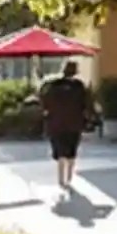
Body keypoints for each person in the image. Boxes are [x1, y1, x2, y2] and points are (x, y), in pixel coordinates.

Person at [39, 61, 90, 192]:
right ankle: (69, 178)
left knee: (60, 152)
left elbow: (45, 102)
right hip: (74, 123)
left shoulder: (53, 85)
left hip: (56, 124)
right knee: (72, 151)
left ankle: (61, 179)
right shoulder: (79, 86)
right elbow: (85, 104)